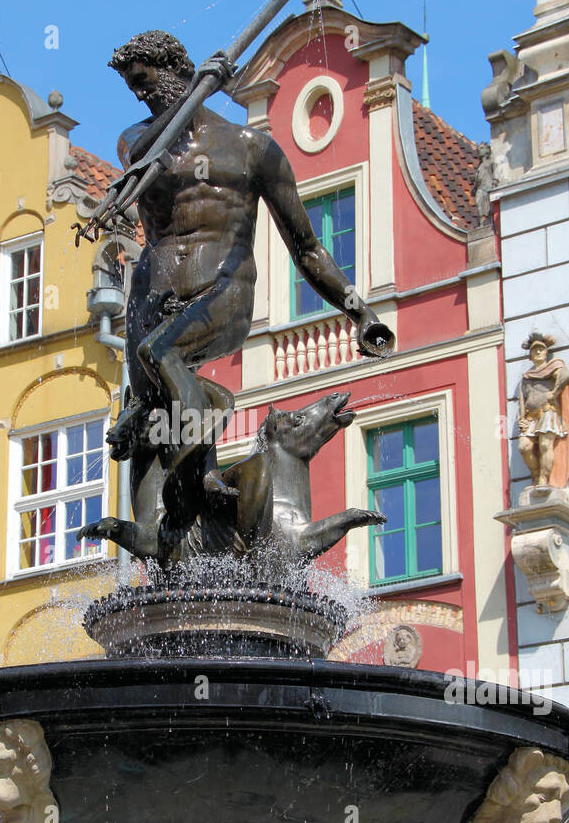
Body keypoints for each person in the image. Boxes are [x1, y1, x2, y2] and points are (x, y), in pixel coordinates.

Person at [80, 30, 391, 559]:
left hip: (222, 292)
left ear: (176, 72)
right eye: (132, 88)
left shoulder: (253, 151)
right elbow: (140, 177)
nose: (138, 97)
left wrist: (358, 310)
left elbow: (308, 248)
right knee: (151, 423)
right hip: (149, 297)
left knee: (165, 354)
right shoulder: (137, 144)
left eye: (144, 82)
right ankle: (180, 547)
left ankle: (205, 478)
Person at [517, 333, 569, 487]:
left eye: (541, 349)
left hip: (547, 411)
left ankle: (544, 480)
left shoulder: (553, 366)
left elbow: (563, 376)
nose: (537, 352)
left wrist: (554, 393)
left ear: (546, 352)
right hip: (531, 416)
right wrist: (521, 418)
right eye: (534, 350)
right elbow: (522, 399)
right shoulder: (527, 376)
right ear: (530, 355)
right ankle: (536, 474)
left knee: (545, 446)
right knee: (524, 447)